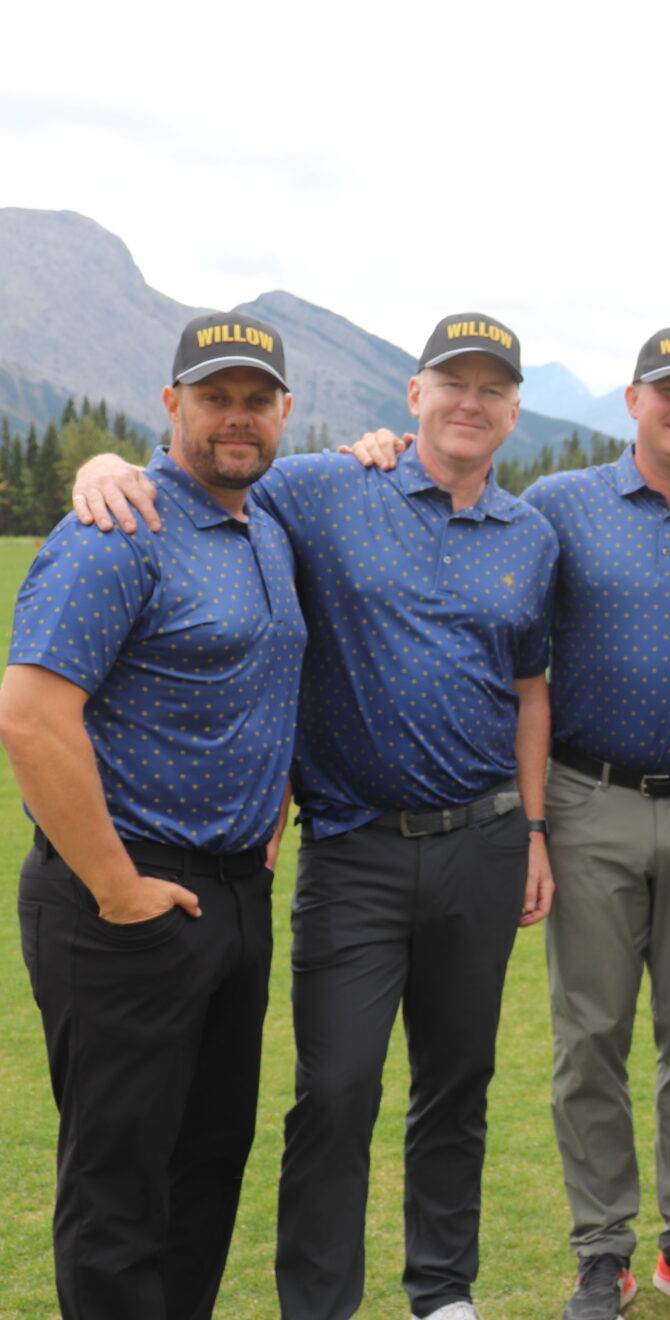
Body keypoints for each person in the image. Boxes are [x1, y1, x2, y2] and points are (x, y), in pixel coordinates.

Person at [71, 313, 561, 1320]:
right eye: (452, 383)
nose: (471, 403)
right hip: (353, 846)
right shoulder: (321, 488)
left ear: (515, 411)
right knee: (336, 1089)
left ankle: (442, 1291)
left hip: (484, 840)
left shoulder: (532, 535)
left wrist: (536, 830)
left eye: (493, 389)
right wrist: (102, 463)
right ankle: (318, 1304)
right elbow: (205, 475)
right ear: (415, 396)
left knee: (458, 1080)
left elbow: (530, 690)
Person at [342, 326, 670, 1320]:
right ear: (633, 401)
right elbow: (489, 598)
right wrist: (376, 455)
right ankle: (602, 1250)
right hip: (587, 798)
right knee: (589, 1035)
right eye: (669, 391)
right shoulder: (559, 504)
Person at [0, 312, 306, 1319]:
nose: (236, 418)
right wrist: (117, 887)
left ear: (285, 412)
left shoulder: (265, 529)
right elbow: (30, 716)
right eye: (214, 398)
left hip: (233, 894)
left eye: (255, 399)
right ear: (172, 405)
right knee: (120, 1180)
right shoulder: (116, 530)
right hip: (122, 895)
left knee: (207, 1162)